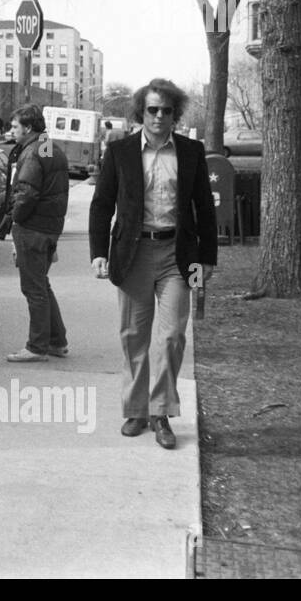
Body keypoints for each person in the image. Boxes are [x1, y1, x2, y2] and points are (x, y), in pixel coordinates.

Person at [89, 78, 218, 450]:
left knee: (173, 336)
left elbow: (204, 209)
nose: (160, 116)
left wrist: (206, 259)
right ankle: (136, 410)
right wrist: (99, 251)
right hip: (133, 255)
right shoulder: (121, 151)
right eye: (152, 109)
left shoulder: (192, 151)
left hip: (176, 255)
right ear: (140, 112)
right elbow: (102, 204)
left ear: (175, 114)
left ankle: (161, 412)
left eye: (166, 110)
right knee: (133, 336)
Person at [2, 105, 70, 363]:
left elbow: (27, 193)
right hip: (50, 227)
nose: (11, 130)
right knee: (42, 284)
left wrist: (14, 219)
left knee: (34, 288)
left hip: (32, 228)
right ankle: (56, 341)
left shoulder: (31, 153)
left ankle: (37, 346)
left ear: (28, 128)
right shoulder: (51, 148)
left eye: (14, 126)